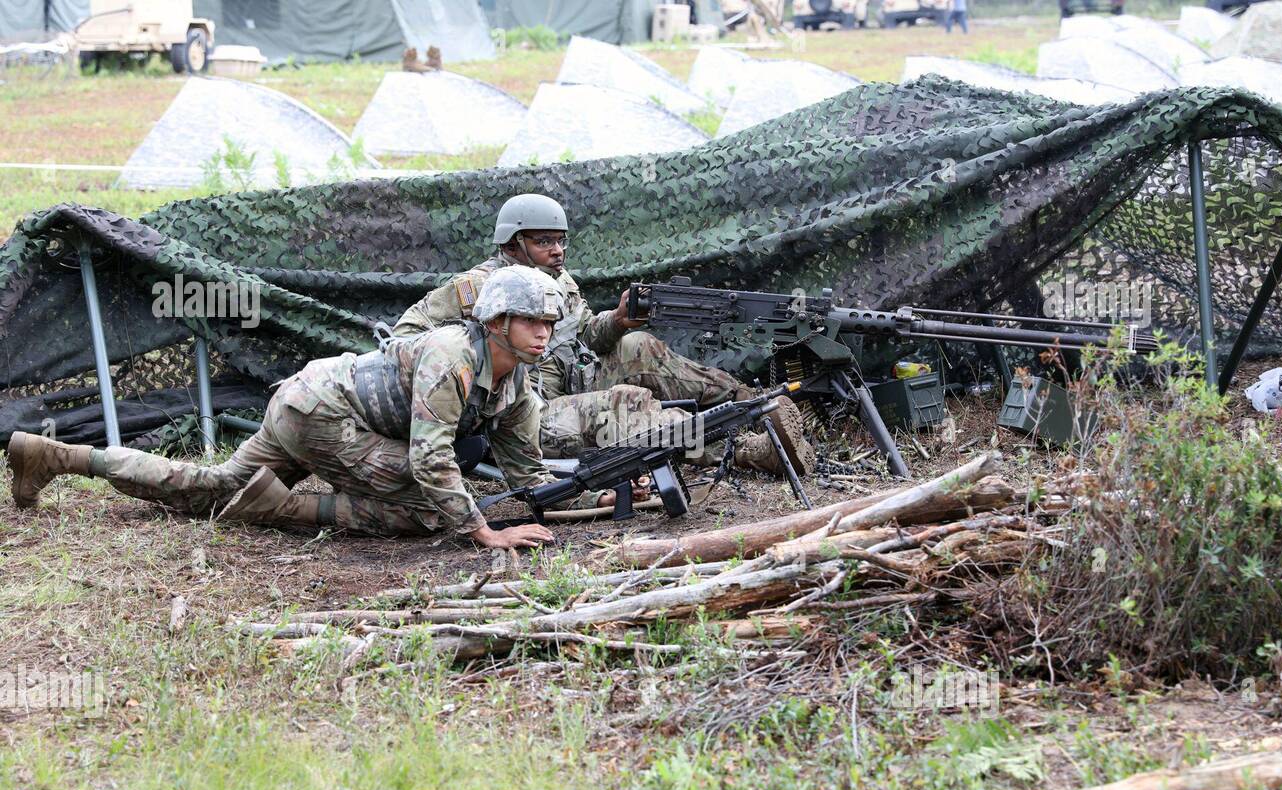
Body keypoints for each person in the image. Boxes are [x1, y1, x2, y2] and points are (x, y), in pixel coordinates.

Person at [7, 267, 614, 550]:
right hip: (321, 413)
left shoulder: (516, 388)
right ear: (497, 321)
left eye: (550, 322)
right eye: (532, 320)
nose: (543, 332)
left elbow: (527, 471)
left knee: (208, 491)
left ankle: (60, 455)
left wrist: (598, 496)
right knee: (436, 511)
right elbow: (431, 461)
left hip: (307, 402)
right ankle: (282, 509)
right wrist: (484, 532)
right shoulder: (452, 356)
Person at [393, 193, 814, 475]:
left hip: (569, 377)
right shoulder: (477, 288)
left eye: (561, 242)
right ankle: (750, 453)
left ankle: (756, 405)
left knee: (637, 345)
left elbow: (586, 338)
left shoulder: (558, 280)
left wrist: (617, 319)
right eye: (544, 242)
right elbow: (405, 337)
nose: (557, 251)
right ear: (513, 243)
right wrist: (466, 368)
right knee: (625, 406)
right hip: (521, 410)